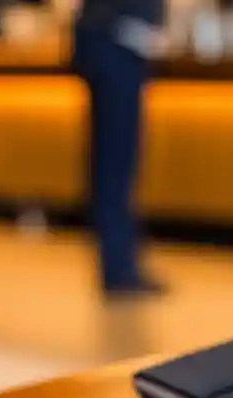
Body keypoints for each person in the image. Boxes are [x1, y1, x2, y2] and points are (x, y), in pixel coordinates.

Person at [73, 0, 165, 296]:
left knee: (113, 161)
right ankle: (119, 267)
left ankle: (120, 263)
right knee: (115, 163)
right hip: (116, 42)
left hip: (113, 41)